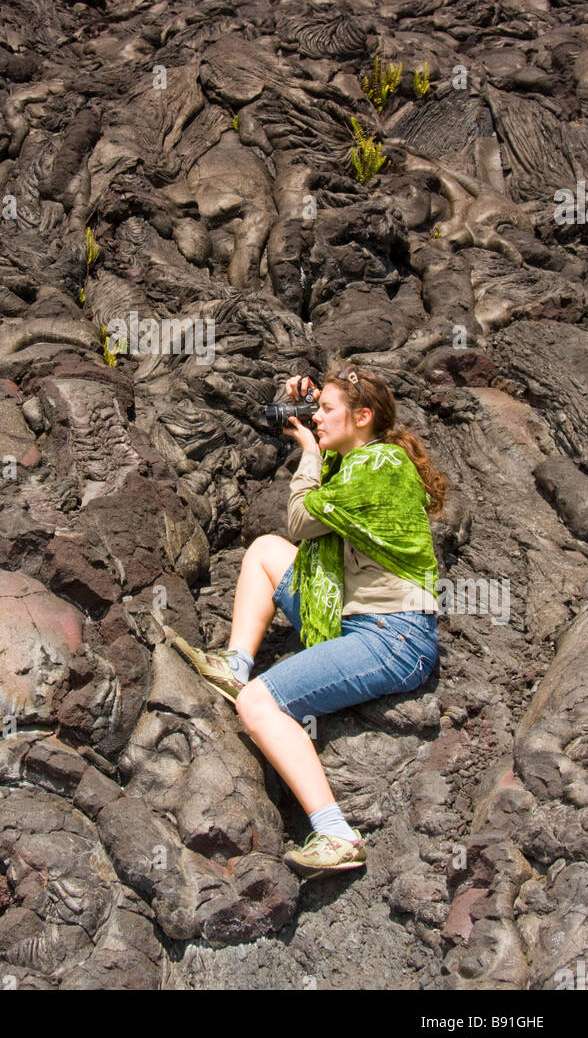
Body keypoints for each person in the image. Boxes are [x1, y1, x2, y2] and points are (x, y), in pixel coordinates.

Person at [170, 363, 448, 881]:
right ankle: (236, 662)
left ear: (363, 417)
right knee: (265, 551)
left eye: (325, 411)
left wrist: (311, 453)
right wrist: (315, 400)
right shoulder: (360, 456)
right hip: (356, 619)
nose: (315, 418)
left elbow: (301, 518)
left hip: (394, 636)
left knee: (259, 703)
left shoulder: (380, 465)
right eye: (315, 408)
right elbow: (296, 526)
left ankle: (337, 833)